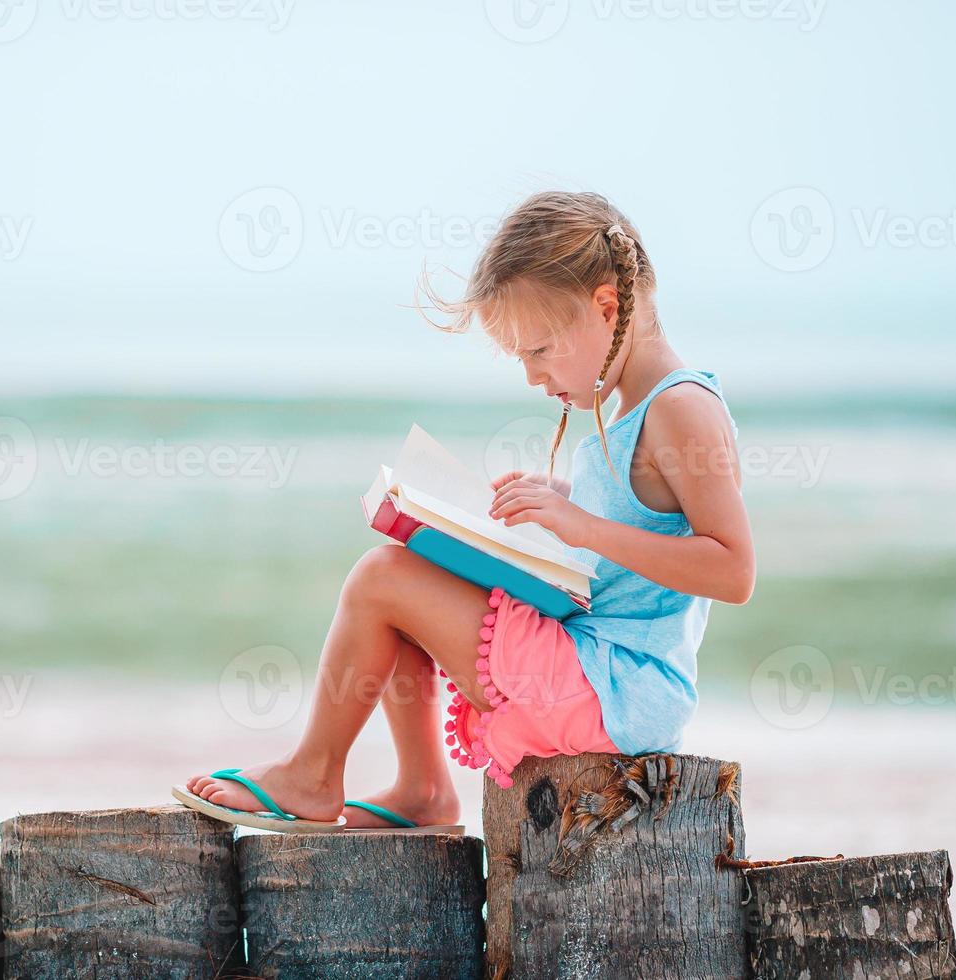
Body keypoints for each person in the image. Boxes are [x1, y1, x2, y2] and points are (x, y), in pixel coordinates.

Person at [173, 191, 755, 833]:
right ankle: (422, 789)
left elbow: (733, 570)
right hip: (601, 670)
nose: (532, 377)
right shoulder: (628, 409)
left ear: (607, 306)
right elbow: (643, 525)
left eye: (539, 350)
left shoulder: (680, 408)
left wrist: (582, 526)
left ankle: (314, 774)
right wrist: (563, 499)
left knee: (380, 580)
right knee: (411, 575)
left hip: (617, 688)